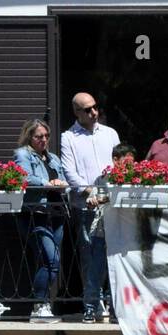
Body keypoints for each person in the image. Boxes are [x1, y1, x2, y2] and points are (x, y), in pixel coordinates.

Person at [60, 93, 121, 323]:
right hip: (86, 205)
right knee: (89, 257)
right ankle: (92, 306)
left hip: (110, 204)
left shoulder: (110, 133)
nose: (93, 112)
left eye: (95, 107)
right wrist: (91, 192)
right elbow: (70, 172)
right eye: (87, 109)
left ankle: (112, 304)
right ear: (76, 112)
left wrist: (110, 192)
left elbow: (119, 165)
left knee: (113, 255)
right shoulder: (69, 137)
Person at [13, 118, 68, 322]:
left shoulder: (52, 157)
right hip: (36, 213)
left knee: (50, 261)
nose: (44, 140)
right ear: (30, 137)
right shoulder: (23, 154)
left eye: (46, 136)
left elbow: (63, 178)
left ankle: (42, 305)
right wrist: (48, 183)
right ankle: (40, 304)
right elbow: (23, 177)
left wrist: (62, 184)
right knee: (51, 259)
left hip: (57, 213)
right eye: (39, 136)